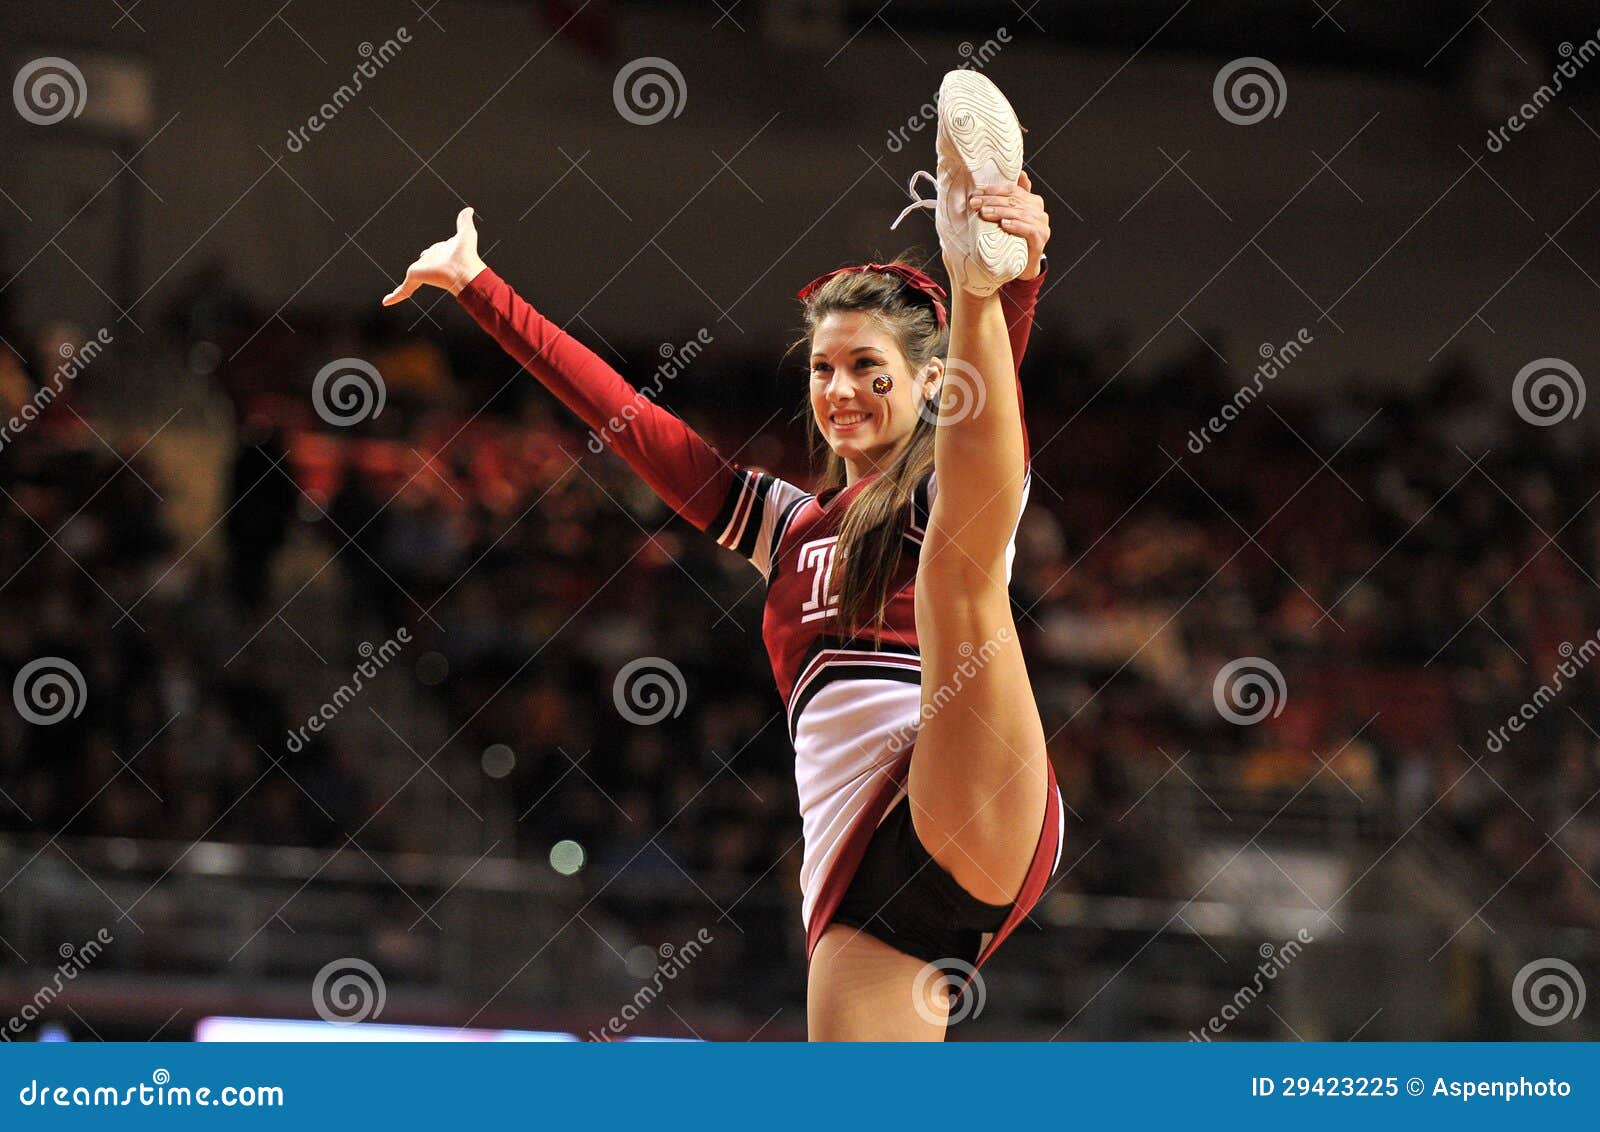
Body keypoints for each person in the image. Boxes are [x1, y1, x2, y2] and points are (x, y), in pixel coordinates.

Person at [384, 70, 1062, 1040]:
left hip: (966, 776)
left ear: (926, 382)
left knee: (962, 552)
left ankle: (975, 270)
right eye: (824, 369)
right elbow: (632, 425)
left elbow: (980, 415)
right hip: (861, 864)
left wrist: (1012, 281)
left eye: (872, 370)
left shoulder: (935, 486)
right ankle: (983, 275)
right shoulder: (786, 524)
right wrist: (477, 286)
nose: (841, 391)